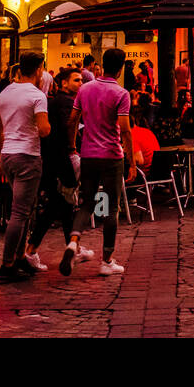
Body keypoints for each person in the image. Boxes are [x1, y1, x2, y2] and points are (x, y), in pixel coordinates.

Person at [62, 47, 135, 278]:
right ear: (121, 68)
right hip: (112, 156)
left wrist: (72, 145)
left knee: (87, 203)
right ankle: (107, 260)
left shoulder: (85, 89)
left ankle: (74, 242)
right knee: (112, 208)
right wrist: (131, 161)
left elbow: (72, 120)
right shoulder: (121, 93)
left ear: (102, 64)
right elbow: (125, 129)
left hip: (88, 155)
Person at [0, 51, 51, 283]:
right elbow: (43, 129)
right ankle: (6, 265)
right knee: (20, 212)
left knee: (25, 210)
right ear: (38, 69)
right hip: (28, 155)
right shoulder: (37, 95)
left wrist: (1, 152)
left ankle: (18, 257)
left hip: (8, 154)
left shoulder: (5, 93)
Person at [23, 67, 93, 271]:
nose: (80, 83)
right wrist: (73, 150)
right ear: (63, 83)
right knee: (61, 203)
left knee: (63, 206)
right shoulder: (65, 103)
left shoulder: (56, 102)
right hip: (60, 161)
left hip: (52, 160)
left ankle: (71, 247)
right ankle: (31, 250)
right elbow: (68, 127)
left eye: (81, 80)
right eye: (76, 80)